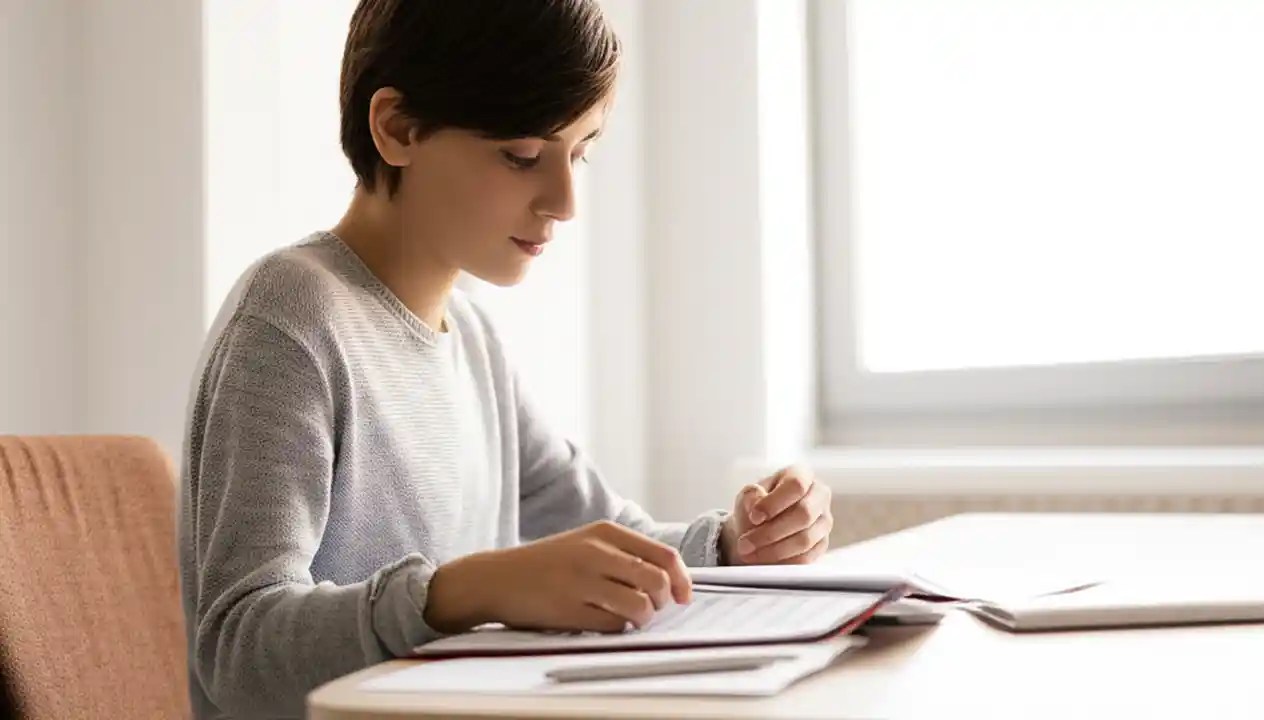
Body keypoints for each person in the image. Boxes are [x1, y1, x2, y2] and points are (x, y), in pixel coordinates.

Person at [178, 1, 835, 717]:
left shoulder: (473, 339)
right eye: (523, 156)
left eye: (579, 153)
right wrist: (466, 591)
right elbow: (238, 650)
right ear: (396, 128)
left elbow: (610, 535)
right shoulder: (293, 317)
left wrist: (737, 543)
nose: (565, 200)